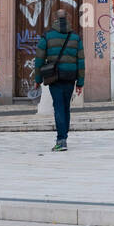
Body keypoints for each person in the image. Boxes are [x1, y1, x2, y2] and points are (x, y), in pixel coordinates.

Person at [34, 11, 84, 151]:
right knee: (66, 107)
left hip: (54, 78)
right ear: (67, 19)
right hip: (70, 77)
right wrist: (80, 83)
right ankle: (64, 137)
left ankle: (61, 140)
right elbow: (81, 61)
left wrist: (38, 79)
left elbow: (39, 59)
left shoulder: (47, 36)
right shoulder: (75, 37)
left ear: (55, 19)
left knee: (58, 107)